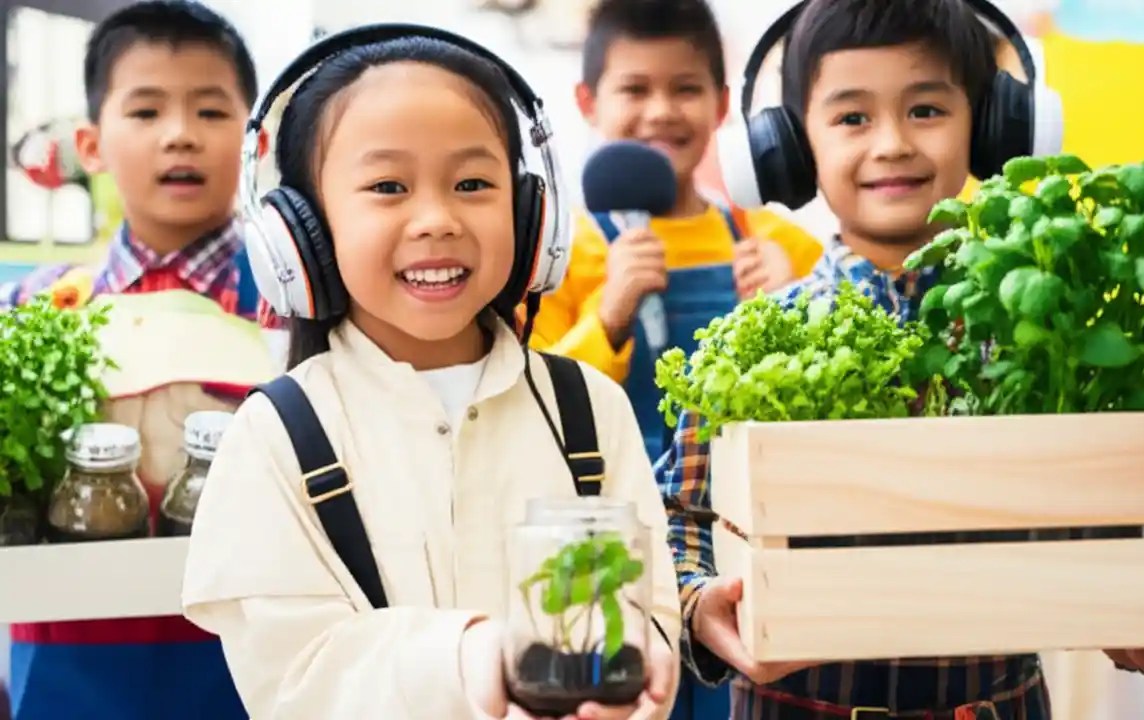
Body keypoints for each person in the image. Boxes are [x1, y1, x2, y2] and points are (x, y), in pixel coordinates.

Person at [658, 1, 1144, 718]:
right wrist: (698, 603)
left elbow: (1143, 506)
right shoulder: (756, 340)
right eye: (852, 118)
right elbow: (675, 519)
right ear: (792, 148)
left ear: (993, 128)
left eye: (926, 109)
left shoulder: (1047, 335)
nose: (893, 143)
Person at [179, 25, 681, 719]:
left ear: (532, 214)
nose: (437, 219)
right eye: (388, 186)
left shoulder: (590, 410)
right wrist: (466, 658)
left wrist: (645, 669)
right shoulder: (274, 438)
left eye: (473, 183)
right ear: (302, 234)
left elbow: (645, 618)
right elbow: (295, 673)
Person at [0, 2, 262, 719]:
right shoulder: (32, 308)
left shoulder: (291, 310)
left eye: (211, 112)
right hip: (65, 669)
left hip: (253, 667)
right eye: (146, 112)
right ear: (91, 143)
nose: (180, 134)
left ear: (253, 140)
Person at [530, 0, 825, 466]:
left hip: (747, 512)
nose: (662, 111)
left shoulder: (780, 245)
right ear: (587, 102)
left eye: (686, 89)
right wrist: (608, 318)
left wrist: (795, 306)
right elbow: (532, 412)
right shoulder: (558, 254)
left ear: (722, 104)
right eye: (635, 90)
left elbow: (833, 408)